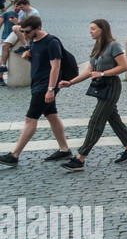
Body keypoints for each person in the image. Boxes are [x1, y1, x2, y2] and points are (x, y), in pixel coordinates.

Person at [56, 19, 127, 170]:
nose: (90, 31)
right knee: (114, 119)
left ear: (103, 29)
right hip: (101, 87)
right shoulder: (97, 47)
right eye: (90, 29)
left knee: (96, 121)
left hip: (111, 86)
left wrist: (102, 73)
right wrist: (70, 82)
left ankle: (80, 158)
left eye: (93, 29)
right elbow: (89, 71)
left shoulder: (113, 45)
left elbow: (124, 66)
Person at [0, 16, 73, 168]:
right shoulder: (33, 41)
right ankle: (64, 149)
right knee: (51, 115)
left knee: (30, 119)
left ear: (38, 28)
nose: (24, 35)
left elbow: (56, 67)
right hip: (37, 84)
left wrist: (51, 89)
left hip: (45, 87)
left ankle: (14, 155)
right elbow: (38, 62)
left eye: (27, 32)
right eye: (23, 32)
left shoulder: (51, 42)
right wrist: (28, 56)